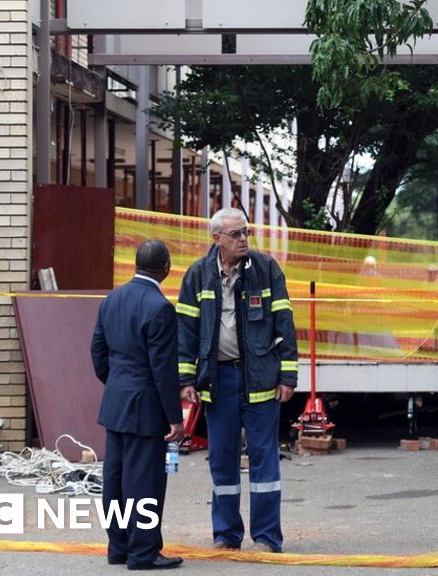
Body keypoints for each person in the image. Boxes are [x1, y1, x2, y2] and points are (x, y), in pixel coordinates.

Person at [177, 207, 298, 553]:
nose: (244, 239)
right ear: (217, 239)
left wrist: (287, 374)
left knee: (264, 460)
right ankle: (226, 535)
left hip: (260, 379)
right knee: (222, 459)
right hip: (218, 381)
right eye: (236, 234)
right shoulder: (198, 275)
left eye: (246, 232)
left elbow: (284, 325)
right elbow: (185, 333)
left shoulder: (265, 269)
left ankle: (266, 538)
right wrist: (186, 380)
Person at [92, 239, 185, 571]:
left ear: (136, 264)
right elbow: (163, 370)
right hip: (146, 410)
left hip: (116, 404)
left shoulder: (112, 299)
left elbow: (98, 353)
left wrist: (117, 385)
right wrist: (175, 418)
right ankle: (143, 553)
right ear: (166, 269)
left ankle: (118, 547)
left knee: (114, 481)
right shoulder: (159, 308)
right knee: (144, 483)